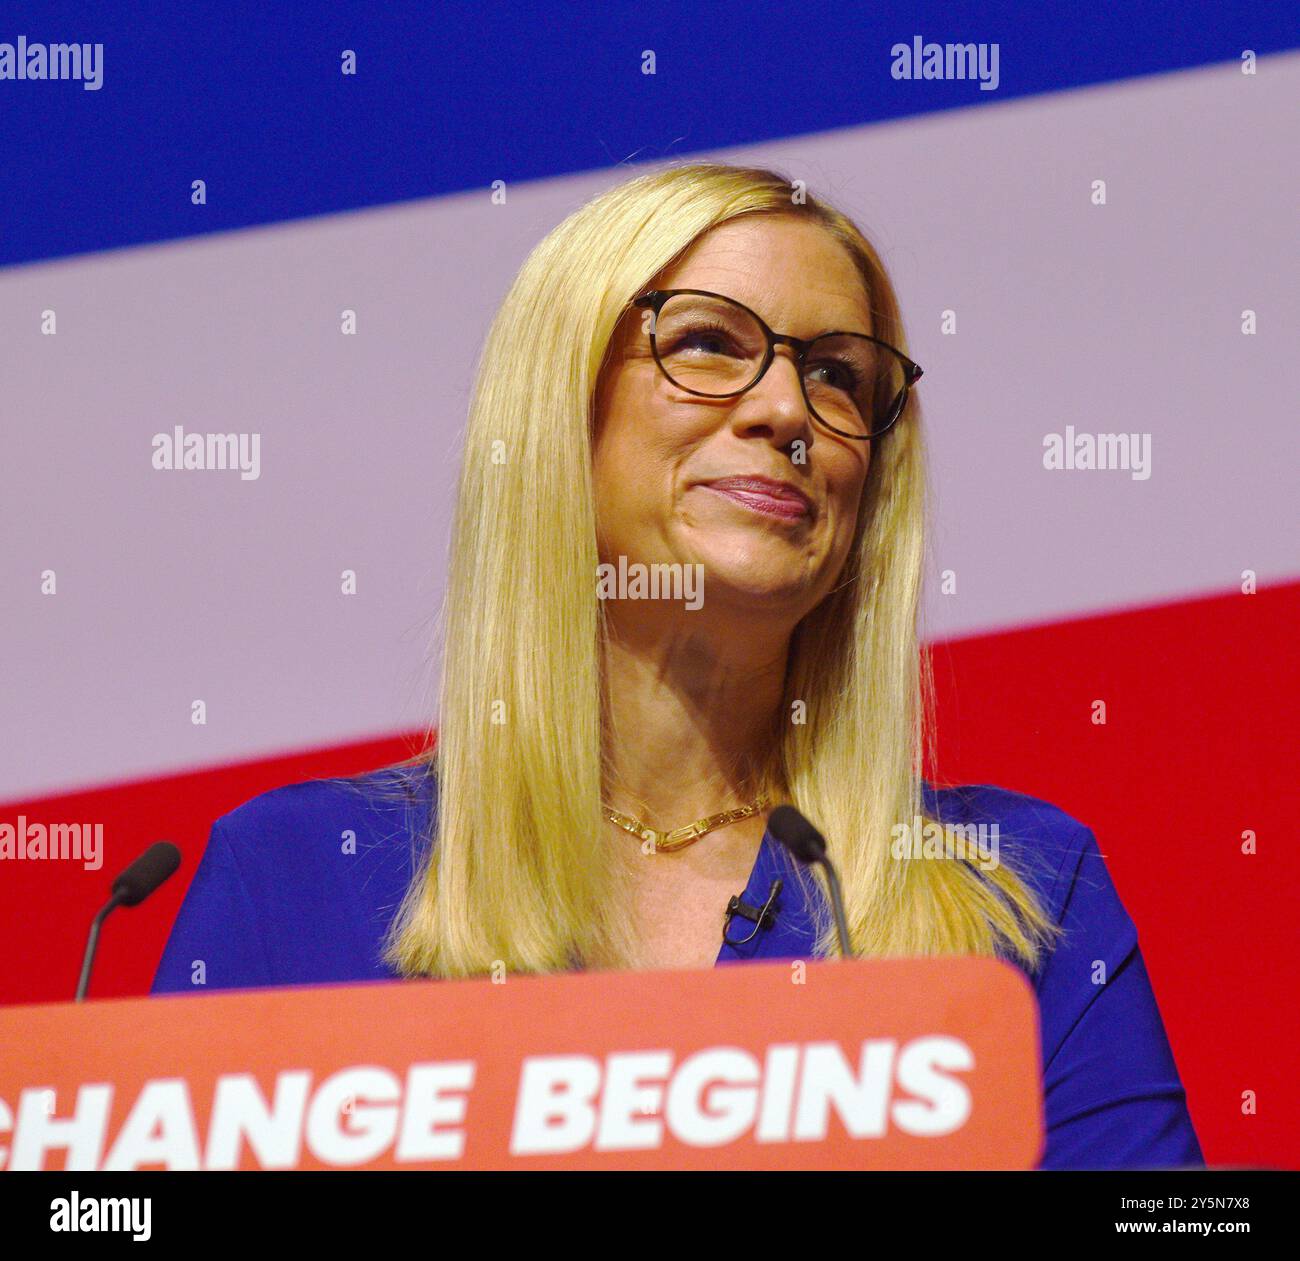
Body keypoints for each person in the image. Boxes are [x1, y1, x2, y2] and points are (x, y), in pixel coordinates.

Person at [153, 161, 1201, 1170]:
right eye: (706, 342)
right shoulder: (290, 881)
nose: (786, 411)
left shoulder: (1015, 887)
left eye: (840, 374)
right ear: (557, 411)